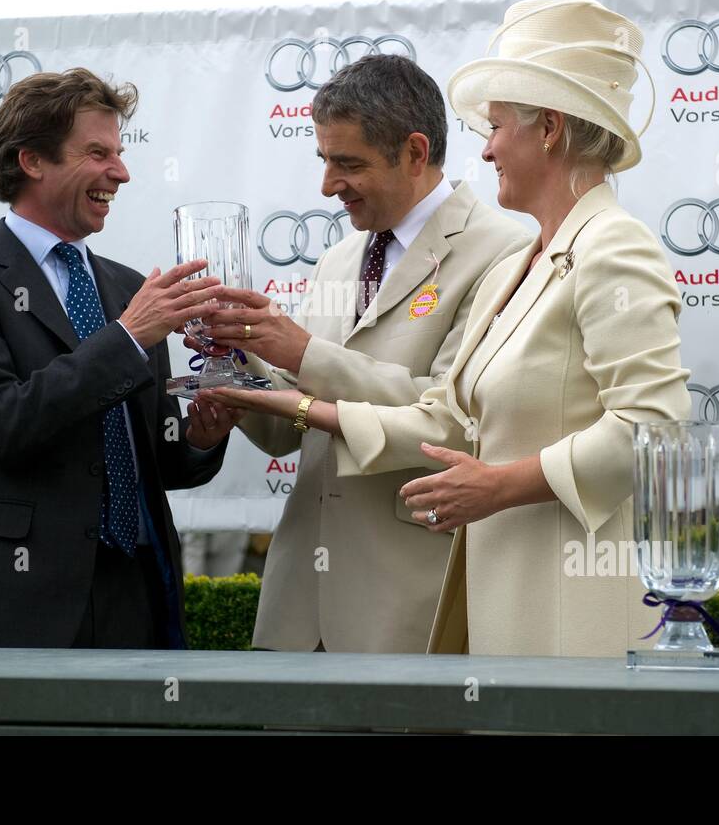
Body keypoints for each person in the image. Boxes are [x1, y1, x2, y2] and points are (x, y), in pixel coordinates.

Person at [206, 0, 691, 657]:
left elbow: (653, 429)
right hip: (494, 613)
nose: (484, 149)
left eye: (496, 127)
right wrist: (256, 376)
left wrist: (500, 485)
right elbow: (448, 418)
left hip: (562, 616)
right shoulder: (529, 260)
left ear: (549, 129)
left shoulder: (610, 245)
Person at [194, 54, 529, 653]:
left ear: (415, 152)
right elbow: (291, 432)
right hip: (298, 606)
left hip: (403, 606)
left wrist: (302, 352)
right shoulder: (339, 257)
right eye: (324, 160)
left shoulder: (506, 253)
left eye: (348, 163)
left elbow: (455, 417)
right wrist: (236, 365)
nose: (328, 185)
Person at [0, 68, 241, 650]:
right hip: (12, 599)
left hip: (136, 592)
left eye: (120, 153)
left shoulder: (130, 289)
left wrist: (201, 435)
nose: (121, 172)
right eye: (98, 153)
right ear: (32, 160)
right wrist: (128, 337)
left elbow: (163, 465)